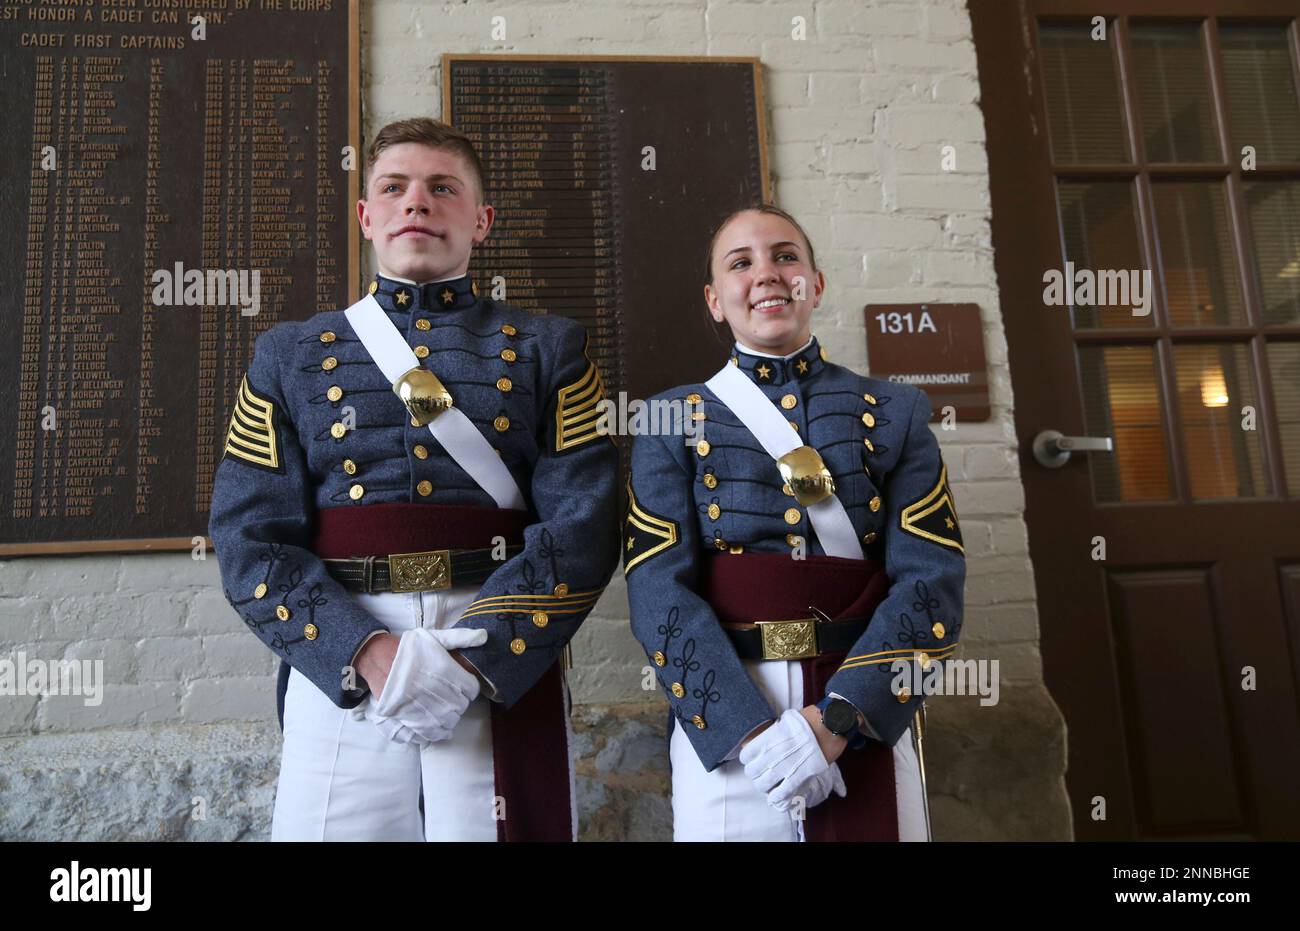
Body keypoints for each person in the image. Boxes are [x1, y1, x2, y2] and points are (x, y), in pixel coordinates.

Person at [209, 117, 619, 841]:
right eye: (393, 188)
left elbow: (583, 527)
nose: (416, 203)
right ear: (367, 216)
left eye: (442, 188)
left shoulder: (551, 348)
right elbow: (248, 539)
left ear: (481, 220)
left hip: (496, 652)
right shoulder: (289, 353)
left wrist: (480, 655)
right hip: (344, 656)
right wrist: (366, 651)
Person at [625, 204, 966, 841]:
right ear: (714, 300)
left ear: (816, 281)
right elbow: (656, 595)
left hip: (863, 709)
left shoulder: (897, 411)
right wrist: (748, 730)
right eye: (741, 263)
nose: (767, 275)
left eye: (786, 257)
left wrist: (837, 721)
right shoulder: (668, 419)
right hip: (726, 720)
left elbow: (932, 583)